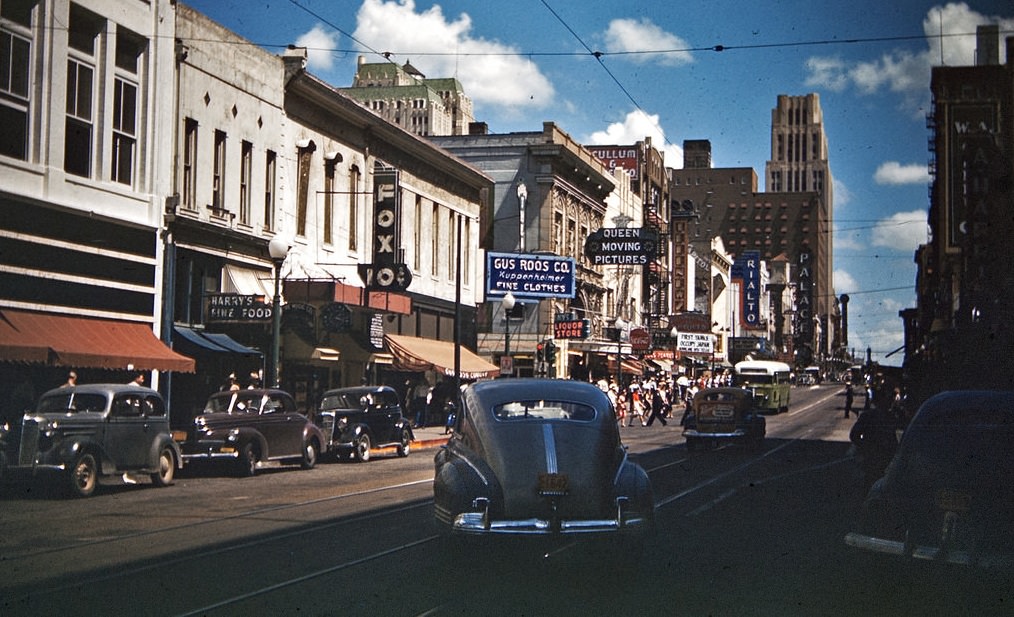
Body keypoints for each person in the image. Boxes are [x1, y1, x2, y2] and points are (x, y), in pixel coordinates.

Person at [849, 402, 899, 489]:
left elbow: (854, 435)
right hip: (876, 456)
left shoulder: (890, 417)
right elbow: (854, 435)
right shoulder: (889, 417)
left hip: (879, 456)